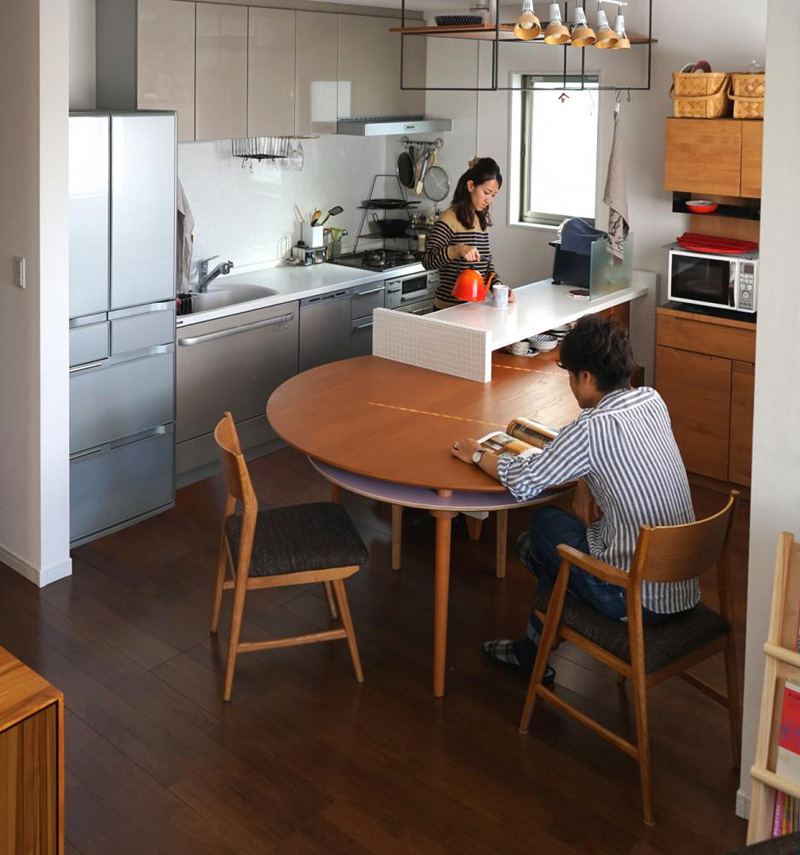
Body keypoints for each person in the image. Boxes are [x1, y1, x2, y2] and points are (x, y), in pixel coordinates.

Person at [449, 315, 697, 683]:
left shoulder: (591, 427)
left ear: (586, 377)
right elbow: (616, 455)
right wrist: (585, 479)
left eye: (569, 376)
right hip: (682, 586)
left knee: (542, 529)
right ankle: (531, 650)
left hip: (632, 598)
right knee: (549, 553)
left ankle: (531, 651)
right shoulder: (651, 400)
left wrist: (476, 454)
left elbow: (525, 480)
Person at [423, 157, 512, 309]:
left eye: (493, 195)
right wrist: (458, 249)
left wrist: (499, 287)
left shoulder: (481, 220)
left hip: (476, 309)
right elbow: (428, 261)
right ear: (470, 186)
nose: (489, 200)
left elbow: (486, 262)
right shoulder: (448, 219)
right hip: (448, 309)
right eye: (486, 192)